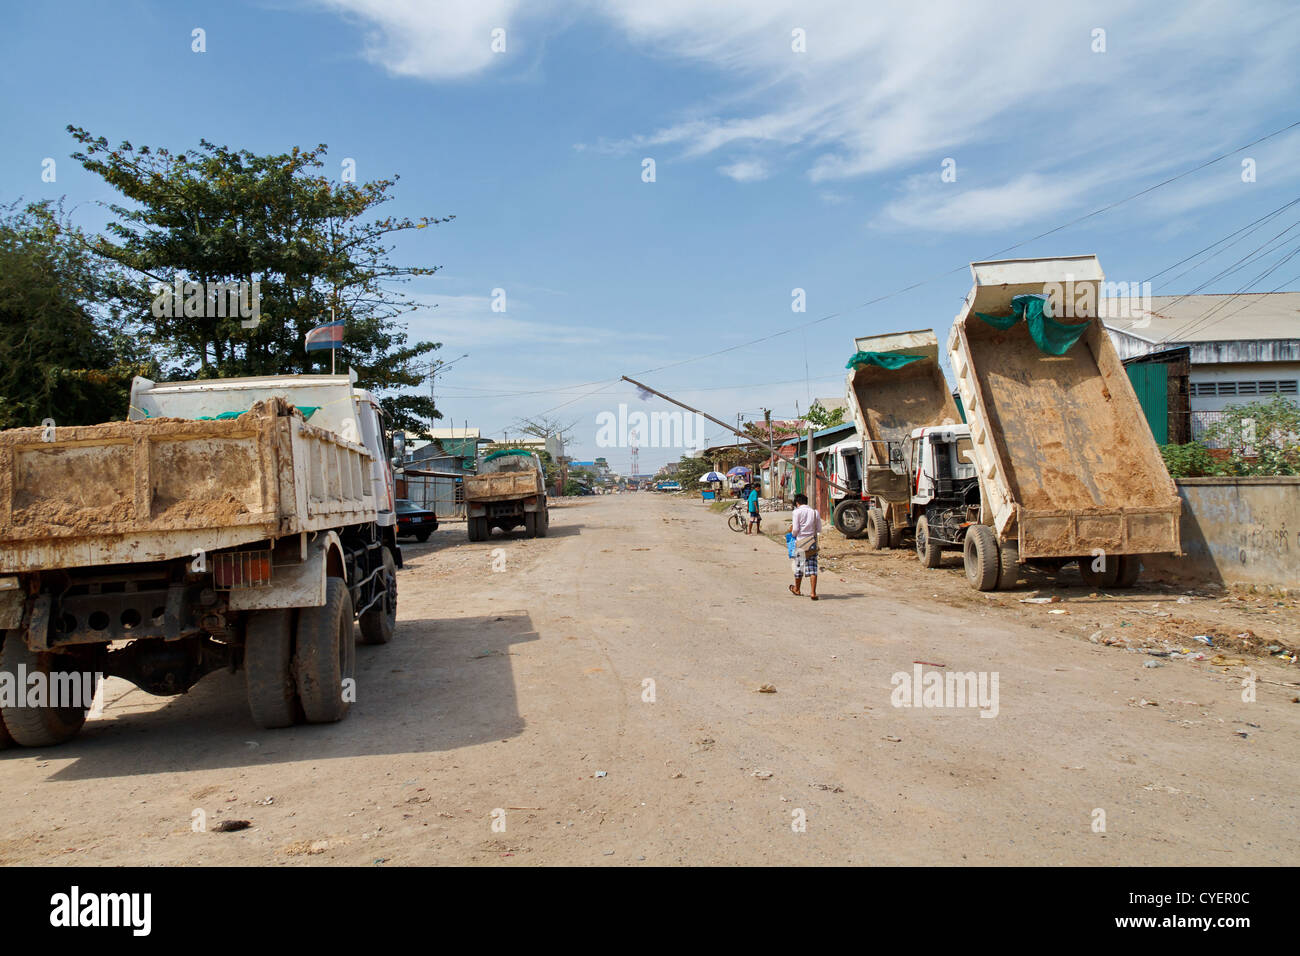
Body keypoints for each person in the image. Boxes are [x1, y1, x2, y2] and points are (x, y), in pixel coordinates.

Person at [788, 492, 822, 600]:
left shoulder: (796, 512)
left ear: (797, 503)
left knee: (798, 567)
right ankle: (813, 592)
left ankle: (797, 589)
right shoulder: (814, 512)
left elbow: (795, 530)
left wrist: (792, 533)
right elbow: (819, 529)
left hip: (801, 542)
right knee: (813, 567)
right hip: (811, 543)